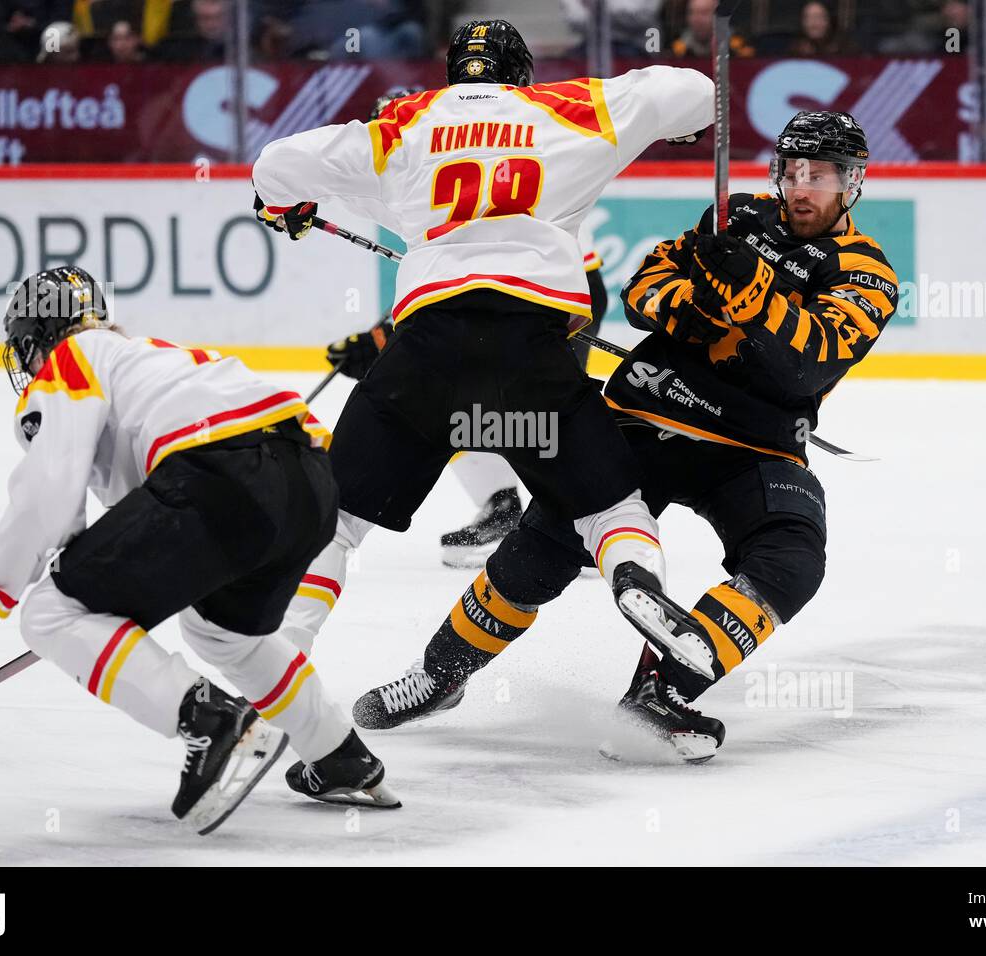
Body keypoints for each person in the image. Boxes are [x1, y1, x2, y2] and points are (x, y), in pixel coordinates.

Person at [354, 111, 899, 764]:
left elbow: (812, 357)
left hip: (754, 445)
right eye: (795, 173)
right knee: (543, 548)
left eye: (823, 176)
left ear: (854, 183)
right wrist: (694, 304)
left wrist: (750, 293)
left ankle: (659, 691)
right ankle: (440, 674)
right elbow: (644, 290)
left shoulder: (867, 270)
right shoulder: (736, 217)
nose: (805, 188)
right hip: (646, 416)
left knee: (793, 558)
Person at [253, 20, 715, 675]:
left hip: (426, 349)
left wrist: (285, 203)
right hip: (533, 345)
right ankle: (635, 580)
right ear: (523, 73)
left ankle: (277, 667)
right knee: (613, 508)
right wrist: (683, 124)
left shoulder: (405, 125)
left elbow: (275, 166)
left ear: (451, 74)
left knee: (338, 517)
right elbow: (693, 88)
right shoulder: (570, 108)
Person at [0, 267, 399, 834]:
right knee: (223, 632)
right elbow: (97, 521)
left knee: (50, 612)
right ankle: (340, 756)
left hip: (221, 475)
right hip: (309, 486)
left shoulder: (73, 358)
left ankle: (214, 721)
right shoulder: (149, 356)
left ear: (34, 339)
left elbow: (51, 487)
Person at [320, 85, 613, 570]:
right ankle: (535, 511)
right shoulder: (439, 151)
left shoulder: (430, 160)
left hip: (549, 293)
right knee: (478, 404)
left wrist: (379, 342)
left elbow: (460, 297)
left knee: (512, 409)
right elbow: (447, 295)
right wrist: (379, 339)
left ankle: (572, 516)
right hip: (528, 291)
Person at [786, 0, 858, 56]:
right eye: (808, 18)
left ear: (829, 21)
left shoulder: (846, 50)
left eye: (819, 17)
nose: (814, 24)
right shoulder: (795, 51)